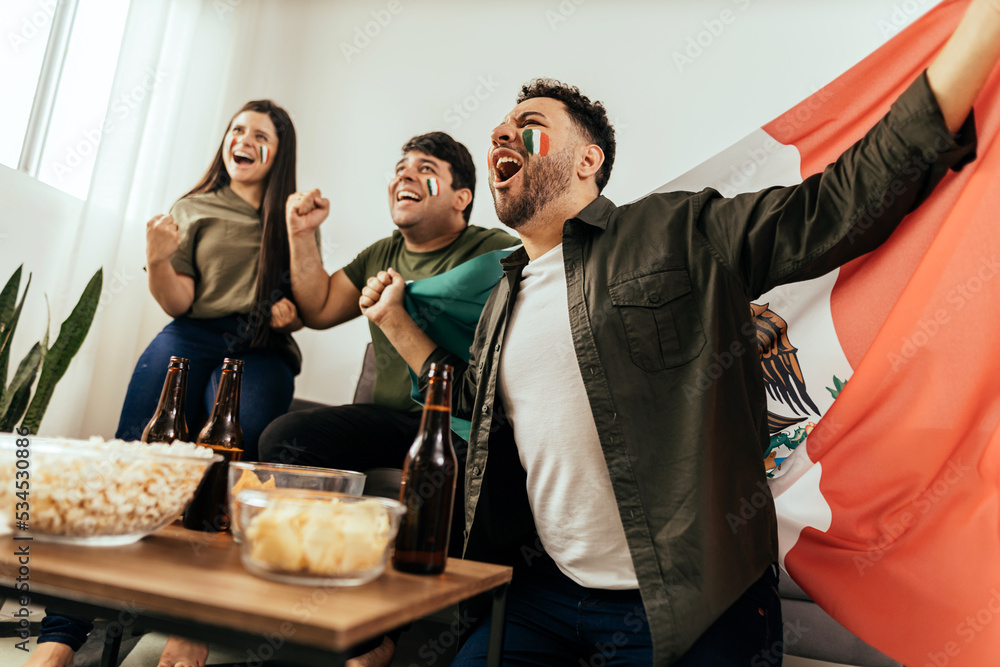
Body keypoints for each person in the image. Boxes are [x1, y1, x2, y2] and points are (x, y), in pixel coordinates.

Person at [356, 1, 1000, 664]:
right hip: (543, 593)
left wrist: (982, 30)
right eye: (497, 132)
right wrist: (396, 323)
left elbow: (838, 204)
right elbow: (476, 411)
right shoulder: (502, 295)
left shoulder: (675, 233)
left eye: (530, 127)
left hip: (685, 602)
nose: (503, 137)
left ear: (588, 161)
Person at [25, 100, 305, 667]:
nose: (243, 140)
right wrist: (156, 260)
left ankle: (190, 624)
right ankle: (61, 633)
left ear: (279, 153)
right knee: (131, 461)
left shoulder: (292, 218)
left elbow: (313, 296)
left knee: (228, 467)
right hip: (193, 333)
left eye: (259, 134)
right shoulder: (194, 206)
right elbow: (178, 298)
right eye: (236, 130)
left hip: (259, 348)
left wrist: (292, 309)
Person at [257, 130, 517, 666]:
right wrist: (301, 234)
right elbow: (321, 307)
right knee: (284, 437)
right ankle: (301, 603)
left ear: (460, 196)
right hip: (394, 418)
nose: (404, 174)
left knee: (453, 477)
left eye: (425, 168)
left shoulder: (491, 250)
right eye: (400, 167)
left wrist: (402, 308)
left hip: (458, 424)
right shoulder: (383, 252)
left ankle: (393, 637)